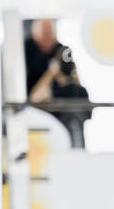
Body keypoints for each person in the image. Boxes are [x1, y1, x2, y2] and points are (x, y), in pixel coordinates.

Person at [24, 18, 91, 146]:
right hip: (39, 106)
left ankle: (77, 152)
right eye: (45, 32)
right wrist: (51, 72)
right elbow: (34, 97)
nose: (48, 36)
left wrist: (64, 76)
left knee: (76, 96)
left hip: (64, 105)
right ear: (35, 33)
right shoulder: (26, 50)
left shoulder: (63, 50)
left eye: (50, 32)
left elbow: (74, 83)